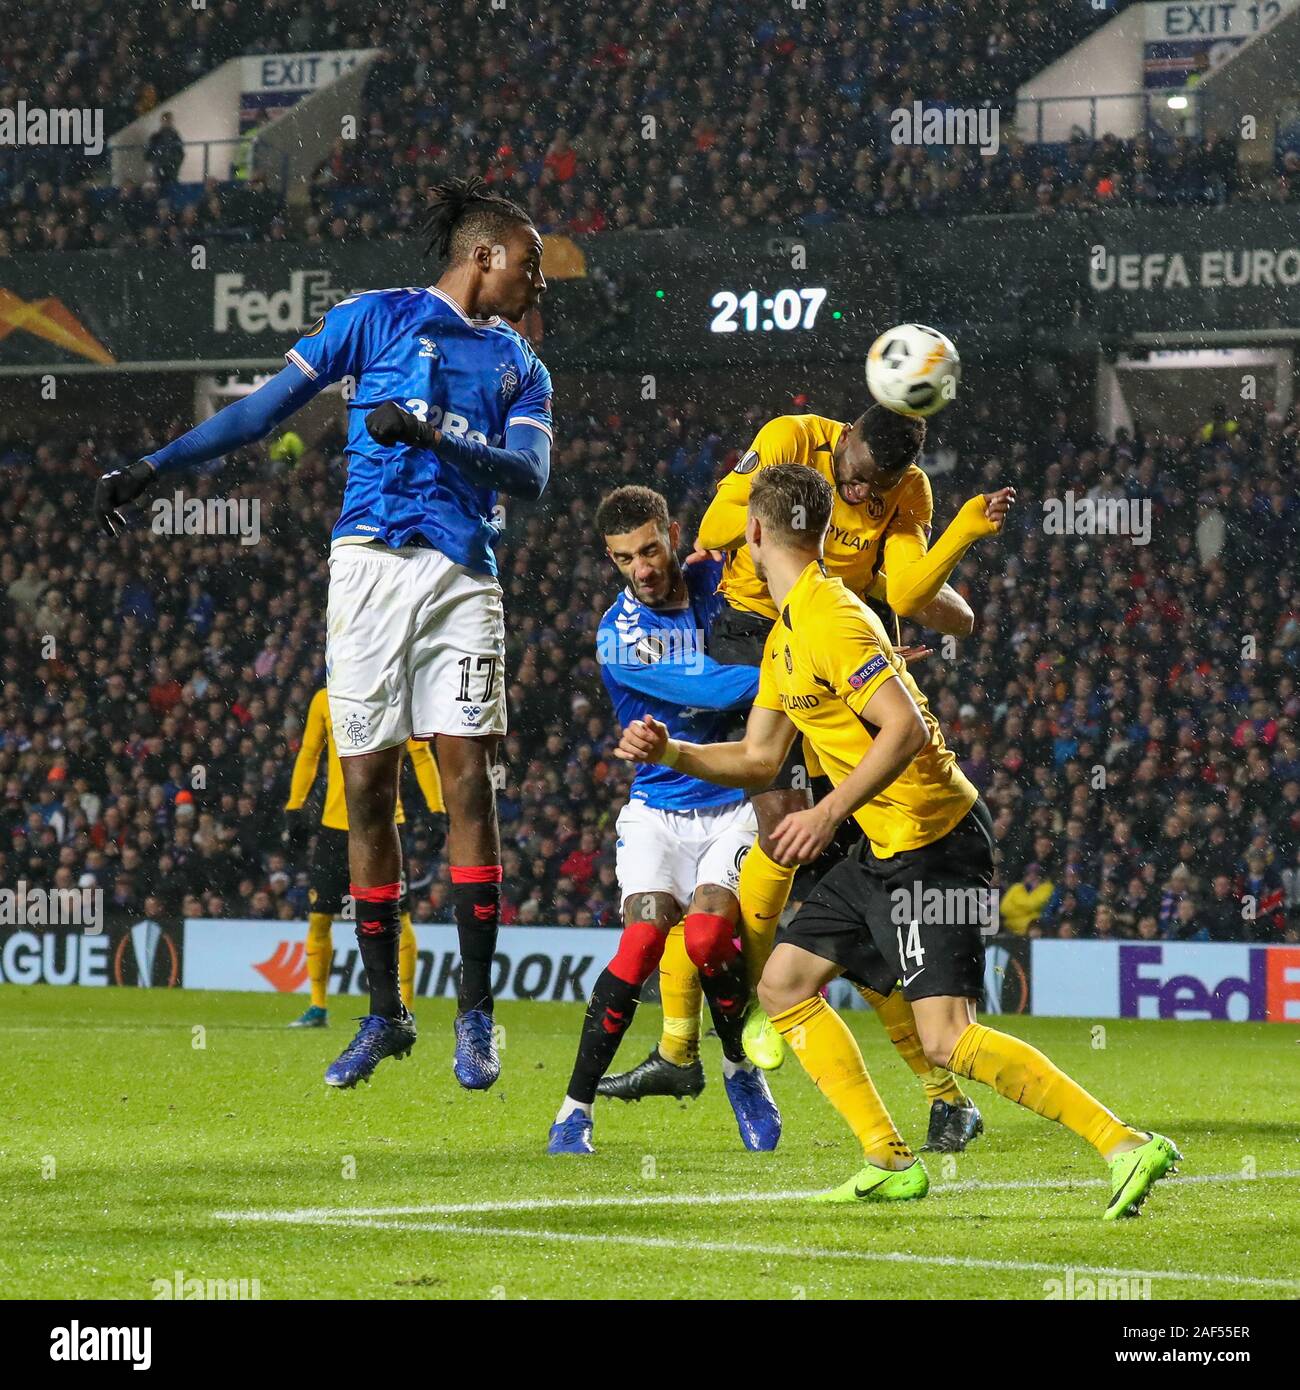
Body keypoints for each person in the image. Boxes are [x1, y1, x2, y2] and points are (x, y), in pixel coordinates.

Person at [618, 464, 1180, 1218]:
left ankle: (1123, 1143)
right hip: (884, 846)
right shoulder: (788, 634)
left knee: (948, 1039)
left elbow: (906, 729)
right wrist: (672, 755)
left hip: (935, 839)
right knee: (783, 984)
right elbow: (757, 759)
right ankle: (888, 1160)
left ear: (755, 533)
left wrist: (824, 815)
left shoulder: (830, 617)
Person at [95, 176, 551, 1091]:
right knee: (367, 786)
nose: (539, 283)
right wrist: (155, 466)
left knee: (467, 781)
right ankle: (385, 1014)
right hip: (368, 573)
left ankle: (475, 1014)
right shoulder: (370, 319)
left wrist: (432, 441)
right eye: (530, 265)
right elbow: (262, 410)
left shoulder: (522, 368)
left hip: (464, 574)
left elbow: (530, 477)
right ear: (485, 255)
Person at [548, 486, 779, 1155]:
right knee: (644, 942)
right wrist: (803, 671)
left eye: (650, 549)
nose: (642, 568)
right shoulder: (620, 638)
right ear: (611, 559)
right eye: (625, 558)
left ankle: (740, 1073)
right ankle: (573, 1110)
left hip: (735, 802)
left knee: (706, 939)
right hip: (657, 811)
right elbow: (711, 686)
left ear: (673, 533)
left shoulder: (720, 578)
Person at [283, 686, 446, 1027]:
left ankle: (406, 1009)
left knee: (399, 919)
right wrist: (295, 805)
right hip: (335, 828)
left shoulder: (398, 694)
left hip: (385, 824)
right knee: (319, 918)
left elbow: (421, 755)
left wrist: (436, 808)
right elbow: (309, 752)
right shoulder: (324, 698)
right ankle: (317, 1006)